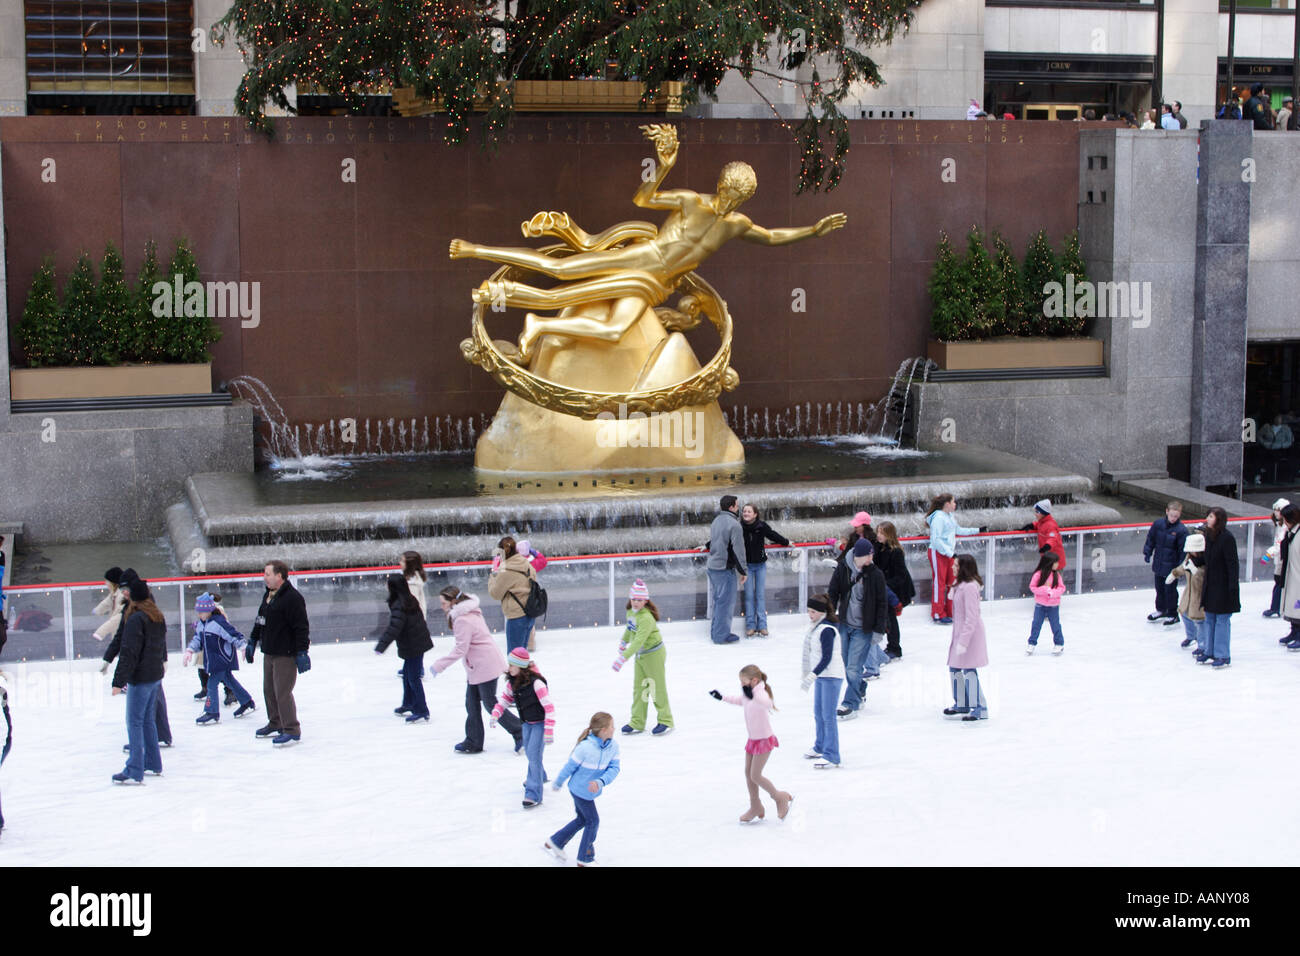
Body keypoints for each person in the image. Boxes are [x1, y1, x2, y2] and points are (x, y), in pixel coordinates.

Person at [450, 123, 845, 365]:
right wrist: (664, 166)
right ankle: (476, 250)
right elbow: (644, 200)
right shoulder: (692, 201)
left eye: (738, 199)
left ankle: (538, 325)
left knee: (614, 330)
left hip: (657, 285)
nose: (729, 202)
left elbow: (772, 236)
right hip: (642, 257)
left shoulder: (736, 225)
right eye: (727, 193)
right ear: (720, 185)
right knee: (560, 270)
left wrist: (813, 230)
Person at [431, 585, 523, 754]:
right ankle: (474, 740)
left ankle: (519, 732)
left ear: (452, 602)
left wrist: (439, 665)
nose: (442, 606)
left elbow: (461, 649)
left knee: (489, 704)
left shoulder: (462, 619)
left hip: (484, 666)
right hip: (480, 665)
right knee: (471, 703)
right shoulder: (470, 612)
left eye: (443, 603)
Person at [710, 665, 793, 823]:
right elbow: (739, 700)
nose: (741, 685)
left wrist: (755, 695)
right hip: (753, 740)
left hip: (764, 740)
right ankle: (755, 806)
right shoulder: (748, 693)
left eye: (743, 681)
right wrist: (722, 697)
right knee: (748, 774)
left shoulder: (759, 692)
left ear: (754, 681)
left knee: (756, 775)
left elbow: (767, 703)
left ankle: (779, 797)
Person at [100, 569, 172, 749]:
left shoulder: (142, 606)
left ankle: (150, 741)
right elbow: (121, 636)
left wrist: (162, 657)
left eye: (125, 588)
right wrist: (108, 658)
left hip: (145, 665)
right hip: (150, 664)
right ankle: (159, 738)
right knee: (151, 706)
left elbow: (145, 640)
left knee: (142, 713)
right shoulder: (131, 605)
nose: (123, 592)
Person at [246, 560, 311, 746]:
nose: (264, 577)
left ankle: (291, 728)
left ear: (279, 576)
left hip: (286, 653)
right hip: (269, 651)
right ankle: (276, 722)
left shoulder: (292, 598)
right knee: (269, 690)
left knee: (282, 692)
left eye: (267, 574)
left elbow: (301, 627)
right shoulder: (268, 596)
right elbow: (260, 620)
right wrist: (253, 640)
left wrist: (302, 652)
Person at [111, 577, 168, 783]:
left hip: (142, 678)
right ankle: (153, 762)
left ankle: (135, 767)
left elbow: (129, 653)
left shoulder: (136, 618)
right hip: (154, 676)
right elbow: (160, 647)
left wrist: (119, 681)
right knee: (147, 721)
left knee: (134, 721)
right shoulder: (156, 615)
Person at [544, 712, 620, 866]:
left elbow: (614, 768)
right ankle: (585, 858)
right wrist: (559, 782)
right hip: (579, 790)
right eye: (612, 726)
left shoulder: (613, 747)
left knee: (582, 819)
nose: (614, 729)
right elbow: (570, 767)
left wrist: (600, 781)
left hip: (591, 791)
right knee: (593, 821)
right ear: (604, 730)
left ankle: (556, 841)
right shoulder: (585, 748)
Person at [827, 537, 889, 719]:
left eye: (871, 555)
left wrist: (879, 630)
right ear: (857, 556)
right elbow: (833, 592)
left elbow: (881, 603)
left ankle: (850, 703)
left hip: (864, 628)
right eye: (867, 556)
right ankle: (860, 688)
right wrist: (830, 618)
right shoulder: (843, 569)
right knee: (848, 666)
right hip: (845, 625)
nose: (870, 559)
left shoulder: (875, 574)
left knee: (854, 668)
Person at [491, 647, 555, 808]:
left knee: (533, 754)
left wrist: (548, 730)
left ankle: (533, 793)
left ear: (521, 666)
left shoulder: (537, 684)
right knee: (531, 754)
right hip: (526, 723)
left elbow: (549, 707)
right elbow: (505, 699)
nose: (509, 668)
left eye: (512, 665)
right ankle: (540, 775)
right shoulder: (513, 682)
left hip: (540, 724)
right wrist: (496, 713)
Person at [612, 579, 673, 736]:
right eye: (633, 599)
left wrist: (623, 658)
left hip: (654, 653)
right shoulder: (631, 612)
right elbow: (630, 628)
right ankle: (637, 721)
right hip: (640, 655)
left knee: (656, 687)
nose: (636, 603)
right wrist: (624, 641)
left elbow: (639, 640)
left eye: (639, 600)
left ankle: (665, 720)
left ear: (646, 601)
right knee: (639, 688)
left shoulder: (646, 618)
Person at [184, 592, 256, 723]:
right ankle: (247, 702)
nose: (199, 615)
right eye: (198, 612)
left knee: (211, 684)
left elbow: (233, 634)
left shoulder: (218, 622)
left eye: (201, 612)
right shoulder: (202, 624)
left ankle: (212, 712)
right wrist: (190, 650)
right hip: (213, 659)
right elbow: (197, 639)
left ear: (209, 611)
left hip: (222, 658)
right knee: (229, 680)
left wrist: (243, 647)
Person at [374, 574, 433, 723]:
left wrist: (381, 645)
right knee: (408, 676)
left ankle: (422, 710)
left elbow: (394, 628)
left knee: (413, 678)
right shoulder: (408, 600)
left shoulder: (400, 605)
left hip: (414, 645)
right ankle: (408, 703)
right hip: (414, 643)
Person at [800, 595, 844, 769]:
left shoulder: (827, 630)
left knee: (828, 716)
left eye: (813, 612)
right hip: (821, 676)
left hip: (831, 676)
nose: (810, 615)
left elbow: (827, 657)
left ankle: (832, 754)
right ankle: (820, 746)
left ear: (822, 612)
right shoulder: (816, 627)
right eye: (809, 611)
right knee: (818, 712)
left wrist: (812, 674)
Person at [925, 493, 982, 623]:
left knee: (952, 581)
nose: (955, 504)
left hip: (949, 553)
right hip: (937, 552)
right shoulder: (938, 518)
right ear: (947, 504)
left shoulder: (949, 516)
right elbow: (936, 539)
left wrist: (977, 530)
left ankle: (951, 611)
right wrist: (949, 553)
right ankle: (938, 613)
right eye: (953, 502)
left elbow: (958, 530)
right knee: (939, 583)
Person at [945, 554, 989, 721]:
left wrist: (963, 641)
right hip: (960, 633)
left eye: (956, 566)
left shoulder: (970, 587)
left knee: (969, 670)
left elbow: (972, 617)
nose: (952, 568)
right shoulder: (961, 585)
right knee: (954, 667)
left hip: (970, 635)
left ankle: (980, 708)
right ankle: (962, 703)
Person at [1198, 507, 1240, 668]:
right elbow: (1208, 559)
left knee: (1221, 620)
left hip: (1223, 586)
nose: (1207, 519)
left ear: (1218, 519)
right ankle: (1209, 651)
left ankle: (1222, 654)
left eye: (1210, 516)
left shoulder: (1227, 538)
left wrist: (1232, 587)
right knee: (1209, 618)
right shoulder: (1209, 536)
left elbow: (1232, 564)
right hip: (1210, 585)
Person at [740, 504, 788, 637]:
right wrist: (708, 545)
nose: (746, 513)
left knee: (760, 596)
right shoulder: (738, 527)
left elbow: (772, 535)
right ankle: (750, 626)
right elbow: (726, 539)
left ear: (755, 514)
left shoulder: (761, 526)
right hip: (746, 567)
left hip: (760, 565)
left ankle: (762, 626)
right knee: (749, 596)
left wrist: (786, 542)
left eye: (749, 511)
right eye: (744, 511)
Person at [704, 494, 747, 644]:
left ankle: (716, 632)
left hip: (712, 567)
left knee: (719, 601)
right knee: (725, 603)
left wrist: (705, 546)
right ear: (731, 507)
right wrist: (743, 571)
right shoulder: (734, 525)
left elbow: (717, 540)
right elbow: (738, 551)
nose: (738, 507)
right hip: (724, 569)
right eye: (737, 505)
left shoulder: (717, 520)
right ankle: (721, 636)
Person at [487, 536, 537, 654]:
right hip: (530, 613)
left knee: (514, 657)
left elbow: (495, 594)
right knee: (522, 656)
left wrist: (492, 577)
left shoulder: (506, 571)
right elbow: (534, 580)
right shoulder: (526, 563)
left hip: (516, 616)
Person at [1143, 501, 1188, 626]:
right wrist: (1147, 552)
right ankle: (1161, 609)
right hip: (1159, 563)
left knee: (1170, 590)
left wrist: (1180, 567)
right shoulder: (1158, 524)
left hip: (1171, 567)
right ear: (1167, 511)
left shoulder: (1181, 530)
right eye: (1172, 515)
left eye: (1176, 516)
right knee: (1159, 588)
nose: (1173, 518)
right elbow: (1151, 539)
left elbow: (1183, 551)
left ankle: (1173, 613)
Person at [874, 521, 915, 660]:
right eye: (878, 532)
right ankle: (891, 646)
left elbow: (900, 576)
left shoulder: (896, 552)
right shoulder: (880, 548)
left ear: (889, 535)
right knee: (887, 617)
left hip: (895, 591)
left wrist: (884, 585)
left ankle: (895, 648)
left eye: (881, 533)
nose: (878, 535)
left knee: (890, 618)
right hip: (885, 589)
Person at [1170, 533, 1206, 652]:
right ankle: (1192, 636)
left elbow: (1205, 577)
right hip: (1189, 591)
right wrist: (1175, 573)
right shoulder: (1189, 557)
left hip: (1200, 594)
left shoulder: (1206, 560)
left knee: (1200, 620)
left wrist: (1196, 571)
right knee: (1184, 612)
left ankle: (1202, 645)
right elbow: (1183, 567)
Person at [1026, 554, 1066, 655]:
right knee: (1036, 624)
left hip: (1053, 606)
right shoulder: (1038, 575)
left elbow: (1062, 588)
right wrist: (1044, 590)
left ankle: (1059, 643)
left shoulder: (1057, 575)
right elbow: (1033, 587)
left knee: (1055, 625)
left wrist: (1053, 593)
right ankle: (1032, 643)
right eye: (1055, 562)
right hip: (1040, 605)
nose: (1057, 564)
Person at [1263, 498, 1290, 618]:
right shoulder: (1280, 525)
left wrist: (1268, 554)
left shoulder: (1285, 527)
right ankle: (1277, 607)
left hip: (1283, 560)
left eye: (1278, 510)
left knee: (1279, 583)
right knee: (1278, 582)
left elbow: (1280, 545)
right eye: (1274, 509)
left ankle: (1276, 607)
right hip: (1279, 559)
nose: (1275, 512)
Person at [1021, 499, 1066, 570]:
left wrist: (1047, 546)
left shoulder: (1050, 525)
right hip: (1047, 559)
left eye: (1037, 512)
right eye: (1035, 511)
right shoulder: (1042, 522)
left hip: (1055, 562)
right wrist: (1031, 525)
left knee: (1055, 580)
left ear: (1044, 513)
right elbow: (1038, 525)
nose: (1035, 514)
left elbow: (1053, 538)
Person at [1278, 504, 1300, 649]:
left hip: (1297, 575)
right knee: (1292, 605)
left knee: (1298, 606)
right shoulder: (1290, 532)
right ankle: (1294, 631)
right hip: (1291, 574)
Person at [402, 551, 429, 620]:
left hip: (413, 623)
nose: (400, 563)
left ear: (409, 564)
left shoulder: (412, 584)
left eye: (402, 561)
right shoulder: (415, 579)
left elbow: (412, 606)